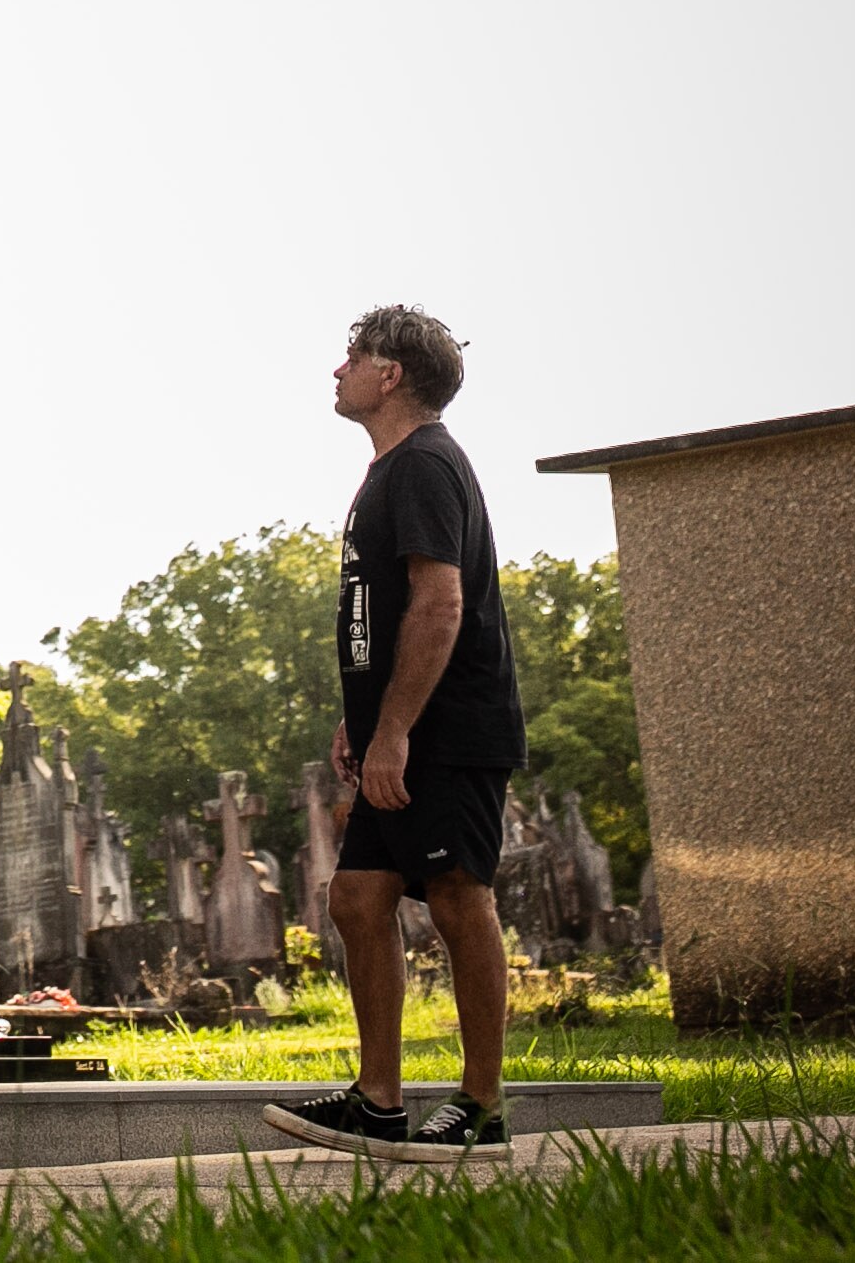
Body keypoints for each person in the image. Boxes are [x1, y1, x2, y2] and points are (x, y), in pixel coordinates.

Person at [262, 305, 527, 1163]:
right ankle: (378, 1102)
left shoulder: (425, 463)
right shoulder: (392, 469)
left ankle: (482, 1105)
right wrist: (366, 717)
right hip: (402, 729)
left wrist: (396, 731)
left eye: (353, 356)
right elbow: (385, 612)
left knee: (456, 895)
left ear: (391, 374)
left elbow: (440, 602)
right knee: (358, 897)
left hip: (450, 730)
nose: (337, 369)